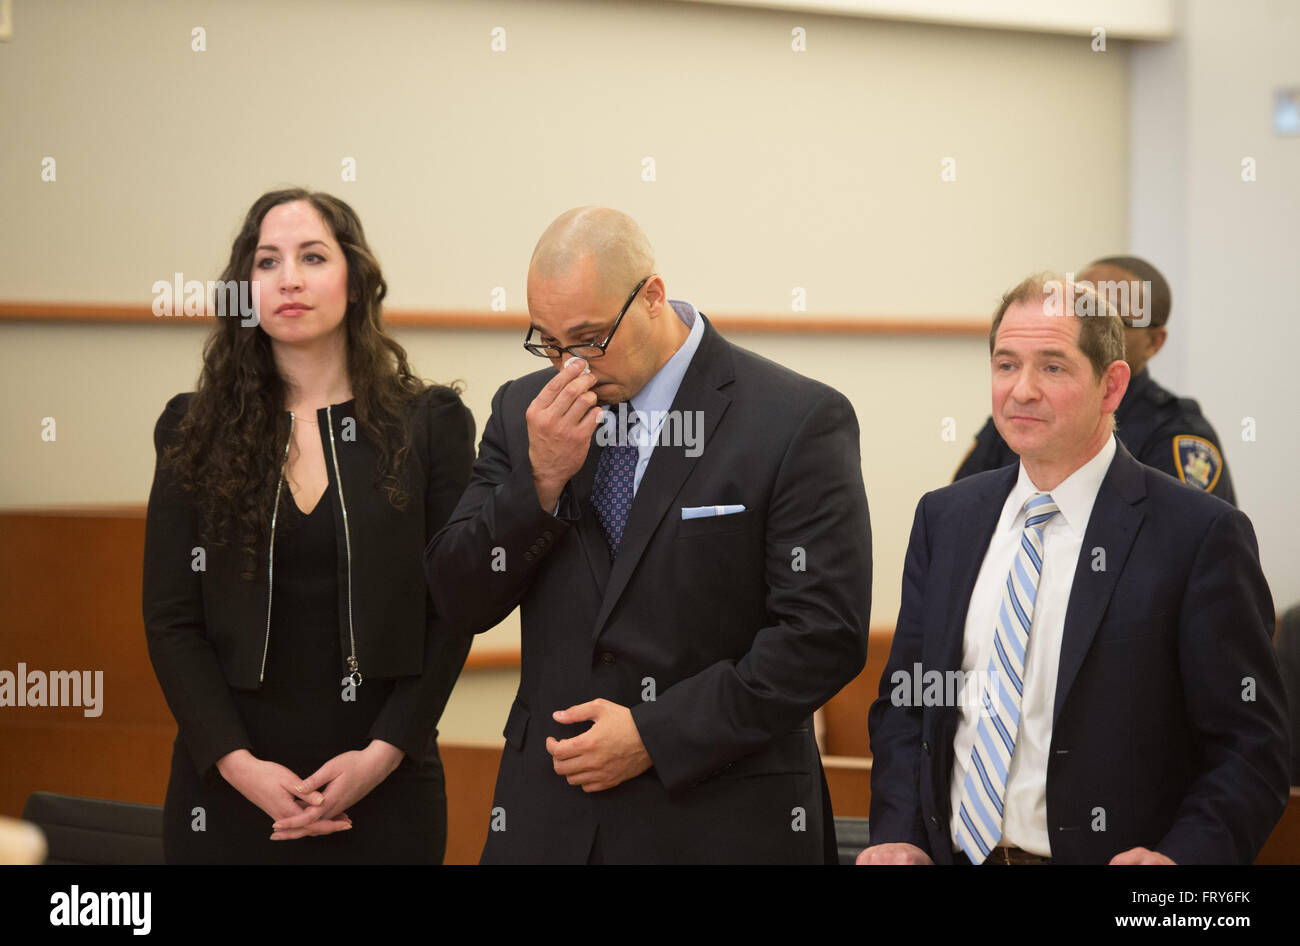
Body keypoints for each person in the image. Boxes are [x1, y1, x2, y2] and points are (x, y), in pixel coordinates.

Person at [425, 207, 871, 864]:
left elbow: (823, 636)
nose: (567, 366)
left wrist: (655, 732)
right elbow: (458, 595)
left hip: (720, 816)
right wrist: (538, 482)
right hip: (549, 819)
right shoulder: (523, 410)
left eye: (588, 337)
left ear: (652, 296)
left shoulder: (795, 418)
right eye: (547, 342)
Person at [860, 274, 1287, 865]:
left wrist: (1182, 861)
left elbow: (1250, 745)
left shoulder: (1199, 534)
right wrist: (898, 833)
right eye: (1006, 364)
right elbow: (908, 704)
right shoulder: (946, 517)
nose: (1022, 390)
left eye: (1053, 368)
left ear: (1112, 387)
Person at [143, 188, 476, 863]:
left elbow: (452, 610)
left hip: (386, 783)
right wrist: (240, 767)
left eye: (313, 256)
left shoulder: (431, 424)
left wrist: (378, 759)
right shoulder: (192, 427)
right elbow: (171, 618)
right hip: (230, 788)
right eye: (268, 261)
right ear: (247, 289)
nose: (289, 277)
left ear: (355, 282)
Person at [954, 256, 1236, 504]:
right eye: (1076, 309)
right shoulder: (1025, 408)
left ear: (1154, 341)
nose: (1087, 326)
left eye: (1109, 316)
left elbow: (1170, 541)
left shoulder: (1175, 431)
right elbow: (965, 511)